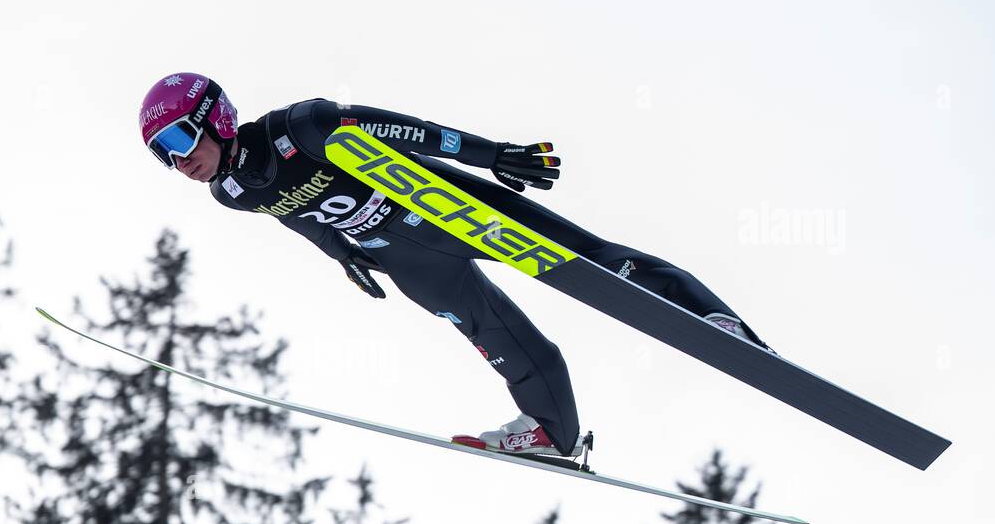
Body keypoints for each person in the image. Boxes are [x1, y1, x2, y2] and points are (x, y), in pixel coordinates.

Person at [138, 72, 771, 459]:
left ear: (214, 118)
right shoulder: (232, 192)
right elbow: (293, 213)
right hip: (401, 257)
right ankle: (553, 434)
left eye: (178, 141)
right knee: (496, 334)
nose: (178, 162)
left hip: (443, 208)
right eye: (162, 155)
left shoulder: (303, 126)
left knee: (594, 262)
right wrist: (342, 256)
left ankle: (715, 323)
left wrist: (493, 154)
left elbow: (405, 132)